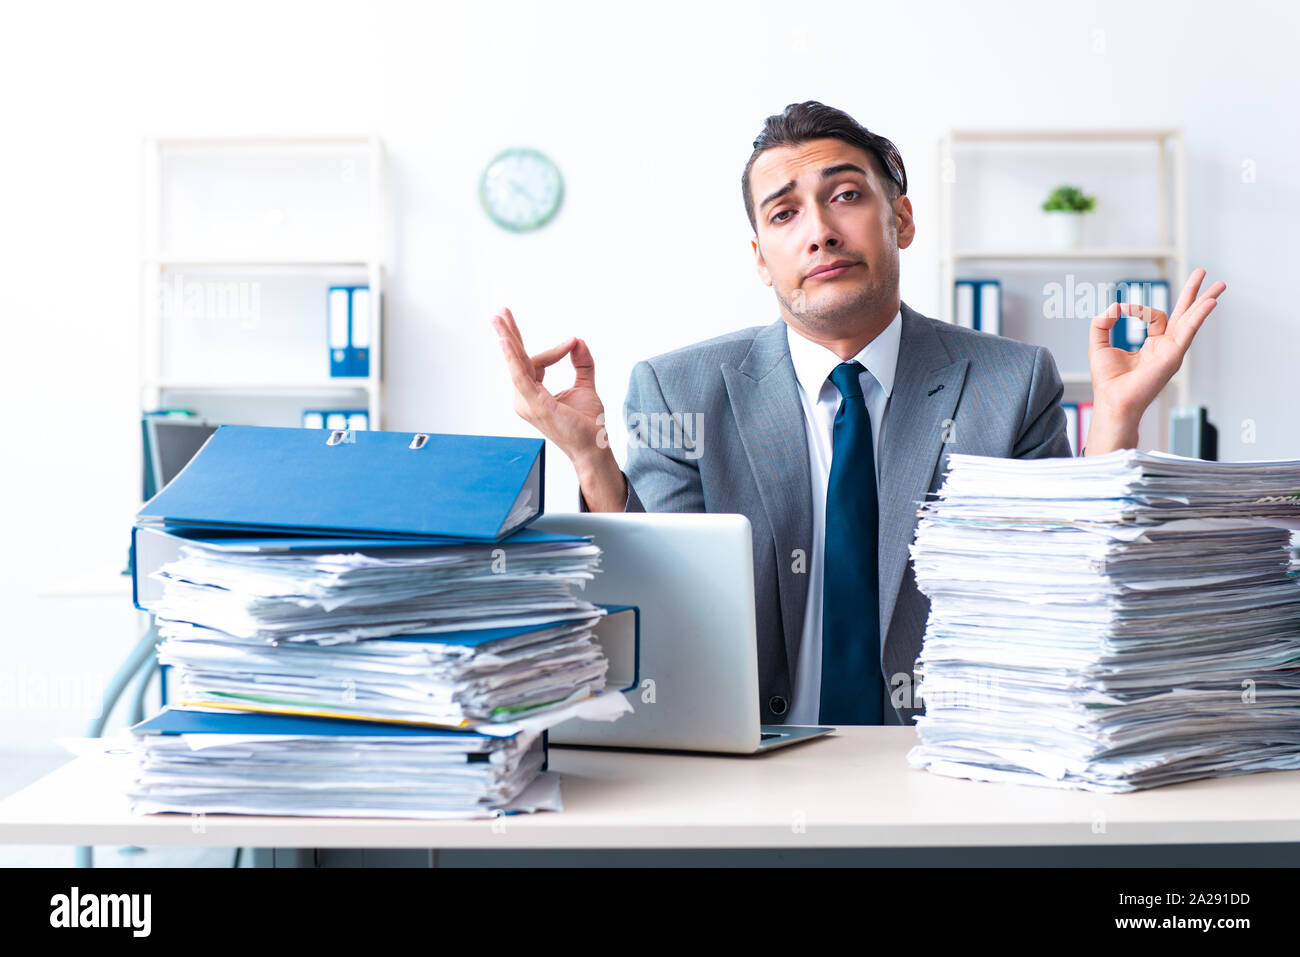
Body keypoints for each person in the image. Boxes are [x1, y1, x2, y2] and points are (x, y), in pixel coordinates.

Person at [493, 100, 1225, 727]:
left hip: (952, 761)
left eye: (845, 196)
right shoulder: (679, 389)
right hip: (744, 764)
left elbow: (1063, 587)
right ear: (760, 257)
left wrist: (1117, 422)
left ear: (900, 219)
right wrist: (590, 457)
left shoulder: (1010, 380)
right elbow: (654, 610)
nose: (819, 231)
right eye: (785, 213)